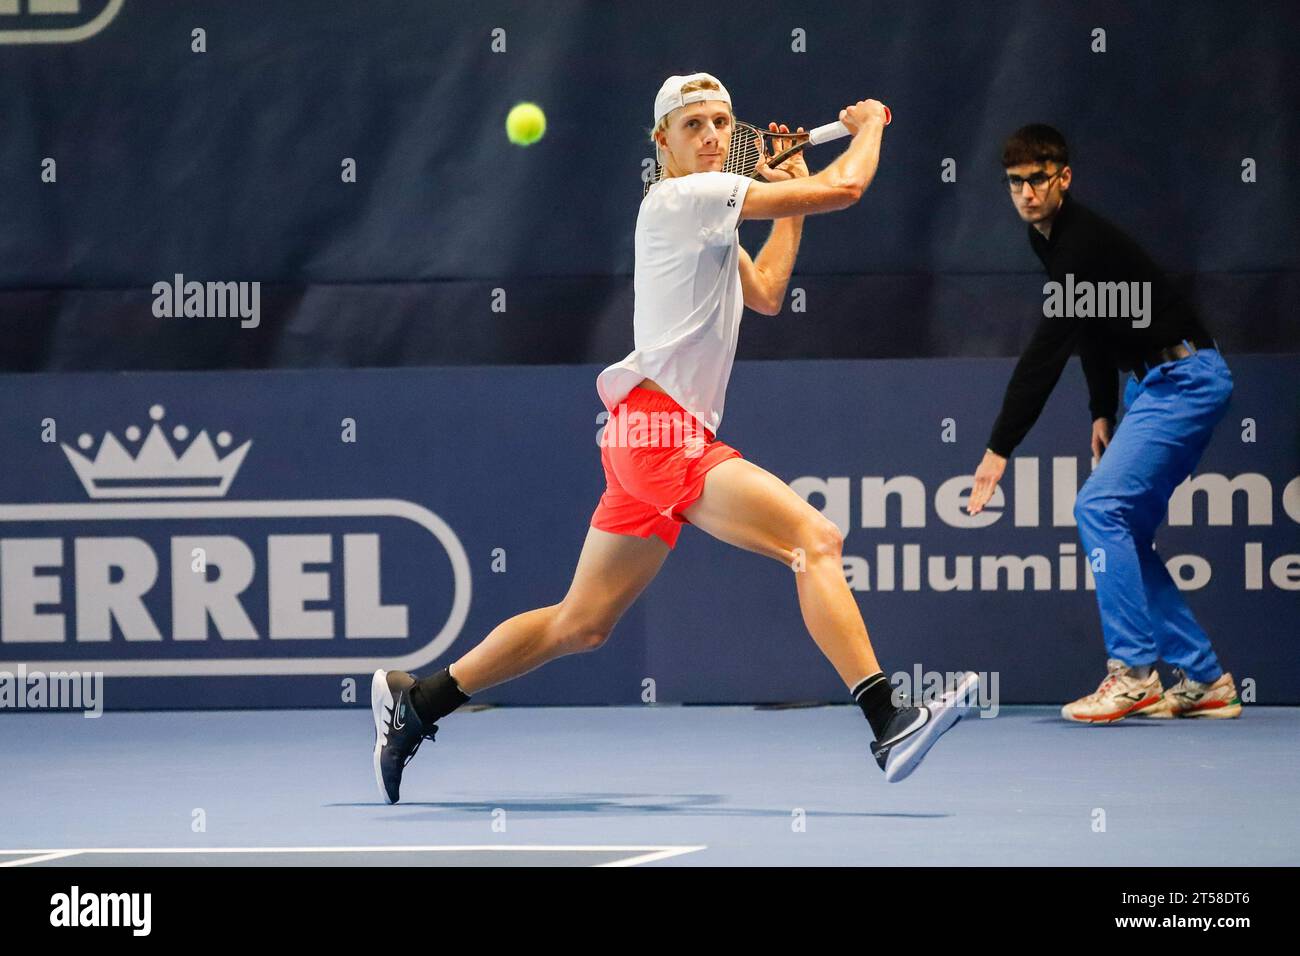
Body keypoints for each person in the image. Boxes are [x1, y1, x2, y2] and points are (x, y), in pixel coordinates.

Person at [371, 72, 977, 804]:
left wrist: (791, 195)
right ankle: (888, 719)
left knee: (581, 622)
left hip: (641, 437)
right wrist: (871, 123)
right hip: (661, 434)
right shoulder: (679, 198)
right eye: (693, 126)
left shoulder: (707, 213)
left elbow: (768, 293)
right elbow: (848, 190)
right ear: (663, 142)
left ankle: (419, 702)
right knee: (812, 540)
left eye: (722, 122)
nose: (714, 136)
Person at [966, 124, 1241, 724]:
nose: (1026, 192)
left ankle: (1134, 674)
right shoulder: (1050, 239)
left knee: (1098, 509)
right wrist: (1102, 409)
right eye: (1015, 183)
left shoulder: (1079, 242)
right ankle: (1203, 679)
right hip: (1151, 384)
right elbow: (1092, 323)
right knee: (1123, 532)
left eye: (1038, 180)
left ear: (1064, 179)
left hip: (1186, 380)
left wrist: (998, 449)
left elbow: (1046, 351)